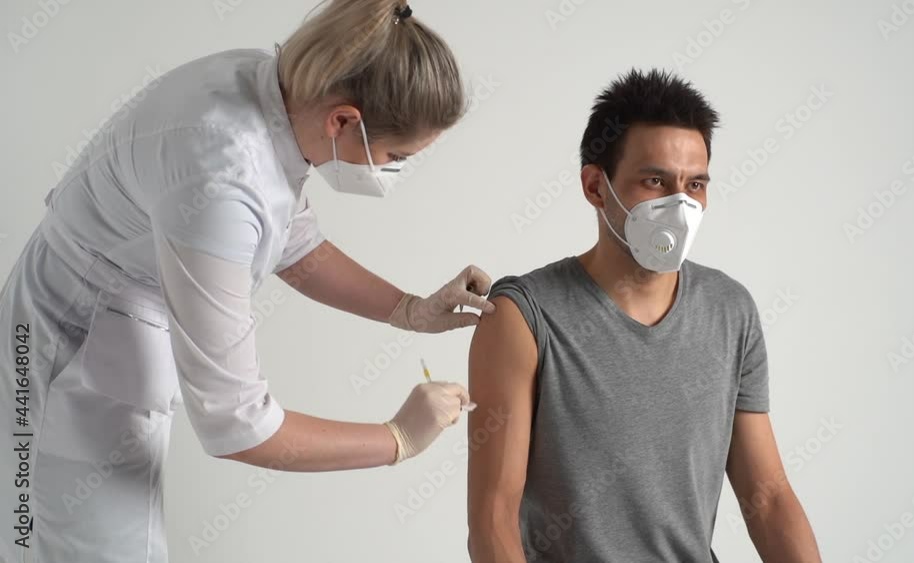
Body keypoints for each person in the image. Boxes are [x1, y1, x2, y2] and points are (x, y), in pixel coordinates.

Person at [0, 1, 493, 561]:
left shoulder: (273, 90)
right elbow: (239, 428)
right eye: (393, 155)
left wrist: (410, 310)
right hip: (64, 349)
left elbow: (295, 243)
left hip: (103, 323)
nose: (391, 169)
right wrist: (398, 438)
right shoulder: (220, 179)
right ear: (343, 121)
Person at [466, 69, 822, 562]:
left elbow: (769, 498)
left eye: (694, 184)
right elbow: (492, 520)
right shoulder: (523, 317)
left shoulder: (729, 310)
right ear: (595, 186)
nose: (680, 204)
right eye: (655, 181)